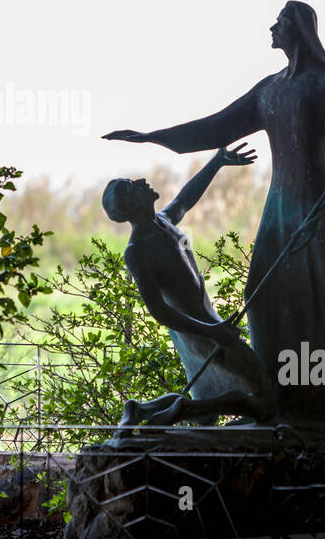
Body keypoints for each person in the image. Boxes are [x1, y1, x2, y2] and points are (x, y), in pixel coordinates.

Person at [104, 1, 325, 425]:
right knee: (263, 297)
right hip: (278, 209)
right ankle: (279, 399)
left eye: (281, 22)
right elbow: (213, 127)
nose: (272, 27)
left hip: (312, 207)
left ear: (300, 31)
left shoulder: (324, 86)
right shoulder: (269, 91)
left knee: (320, 300)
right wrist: (153, 137)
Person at [101, 144, 274, 430]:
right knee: (267, 403)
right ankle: (181, 408)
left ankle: (142, 408)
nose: (142, 182)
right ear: (129, 206)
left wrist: (216, 162)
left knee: (206, 413)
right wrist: (212, 332)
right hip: (199, 332)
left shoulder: (165, 221)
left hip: (209, 324)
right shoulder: (137, 251)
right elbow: (160, 311)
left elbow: (186, 198)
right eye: (133, 186)